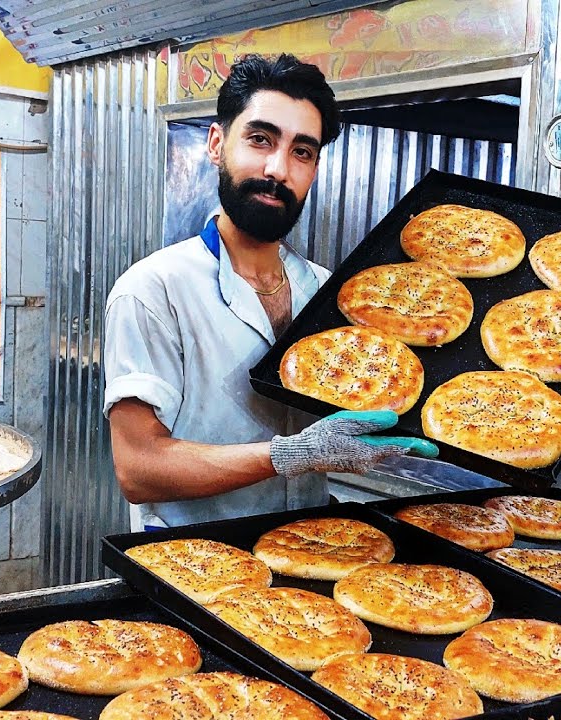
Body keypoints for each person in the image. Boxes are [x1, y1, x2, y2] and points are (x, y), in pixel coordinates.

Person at [103, 53, 435, 529]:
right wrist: (295, 454)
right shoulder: (154, 291)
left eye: (302, 151)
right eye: (260, 139)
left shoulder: (327, 293)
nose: (278, 169)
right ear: (216, 144)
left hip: (309, 553)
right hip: (194, 566)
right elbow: (138, 469)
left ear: (314, 170)